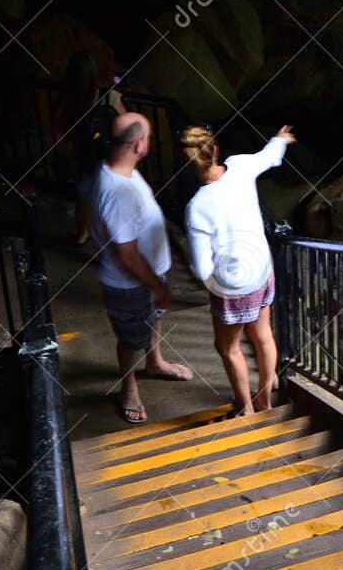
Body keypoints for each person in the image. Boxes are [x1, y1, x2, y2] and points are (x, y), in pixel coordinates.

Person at [181, 123, 296, 417]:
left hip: (232, 285)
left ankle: (244, 409)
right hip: (261, 269)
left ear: (188, 164)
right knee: (264, 336)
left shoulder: (197, 207)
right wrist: (279, 138)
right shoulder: (241, 166)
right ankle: (265, 402)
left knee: (228, 348)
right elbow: (269, 157)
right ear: (215, 151)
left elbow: (201, 266)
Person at [92, 111, 192, 424]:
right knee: (131, 337)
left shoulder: (120, 168)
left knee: (153, 320)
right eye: (148, 136)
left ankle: (155, 362)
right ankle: (129, 388)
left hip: (148, 276)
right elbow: (128, 256)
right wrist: (158, 285)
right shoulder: (118, 193)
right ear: (139, 145)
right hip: (130, 283)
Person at [52, 51, 126, 247]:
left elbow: (59, 132)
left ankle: (82, 235)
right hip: (106, 158)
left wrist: (67, 155)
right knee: (107, 203)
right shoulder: (108, 97)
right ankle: (106, 246)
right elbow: (126, 123)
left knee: (84, 198)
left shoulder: (66, 100)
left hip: (81, 158)